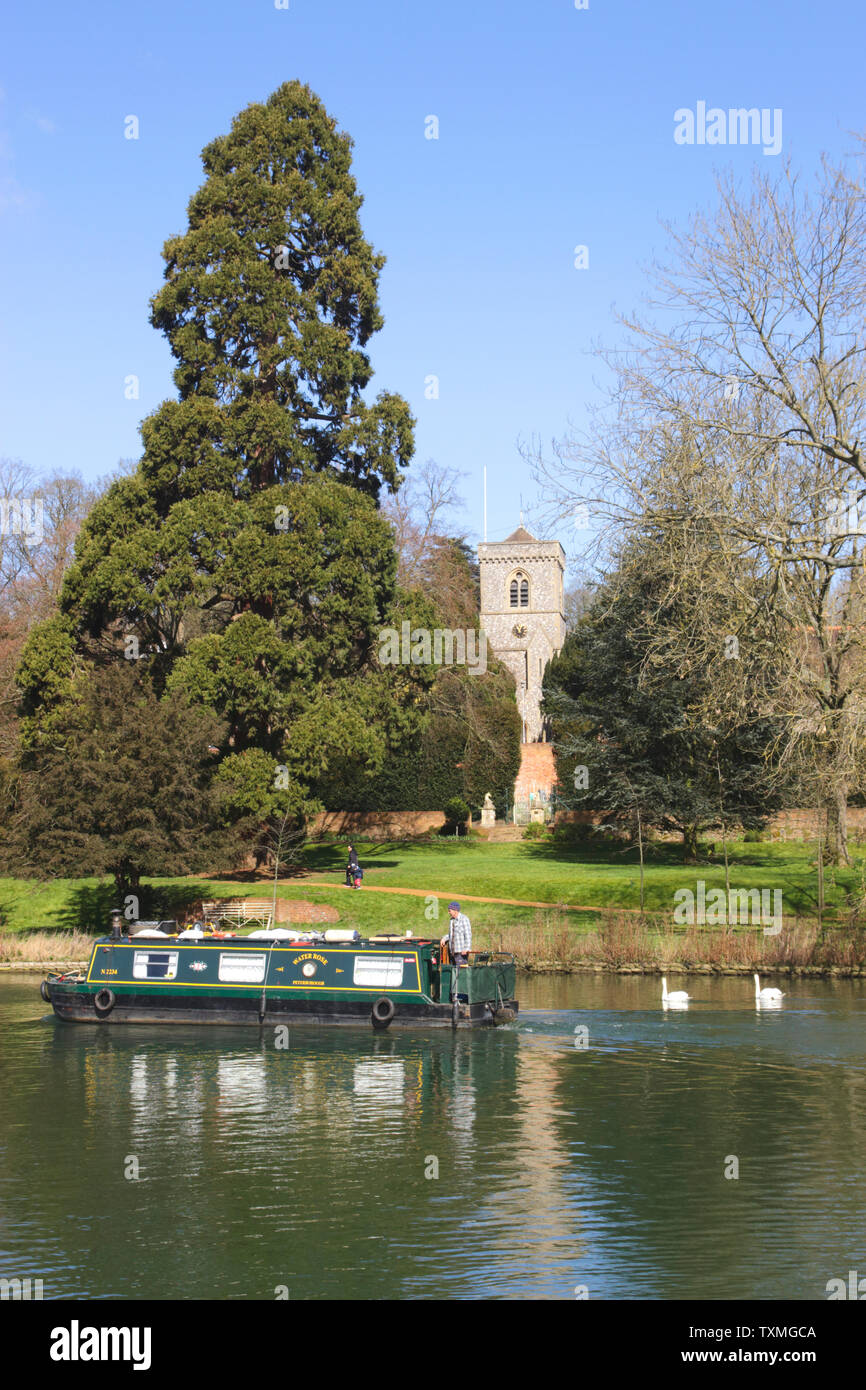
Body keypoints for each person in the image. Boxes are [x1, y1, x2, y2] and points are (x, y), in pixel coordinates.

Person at [442, 901, 471, 967]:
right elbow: (451, 934)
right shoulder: (451, 920)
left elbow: (468, 935)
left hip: (461, 953)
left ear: (455, 910)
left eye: (450, 911)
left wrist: (466, 948)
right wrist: (444, 938)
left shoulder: (464, 919)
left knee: (461, 973)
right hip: (453, 952)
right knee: (454, 973)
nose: (448, 912)